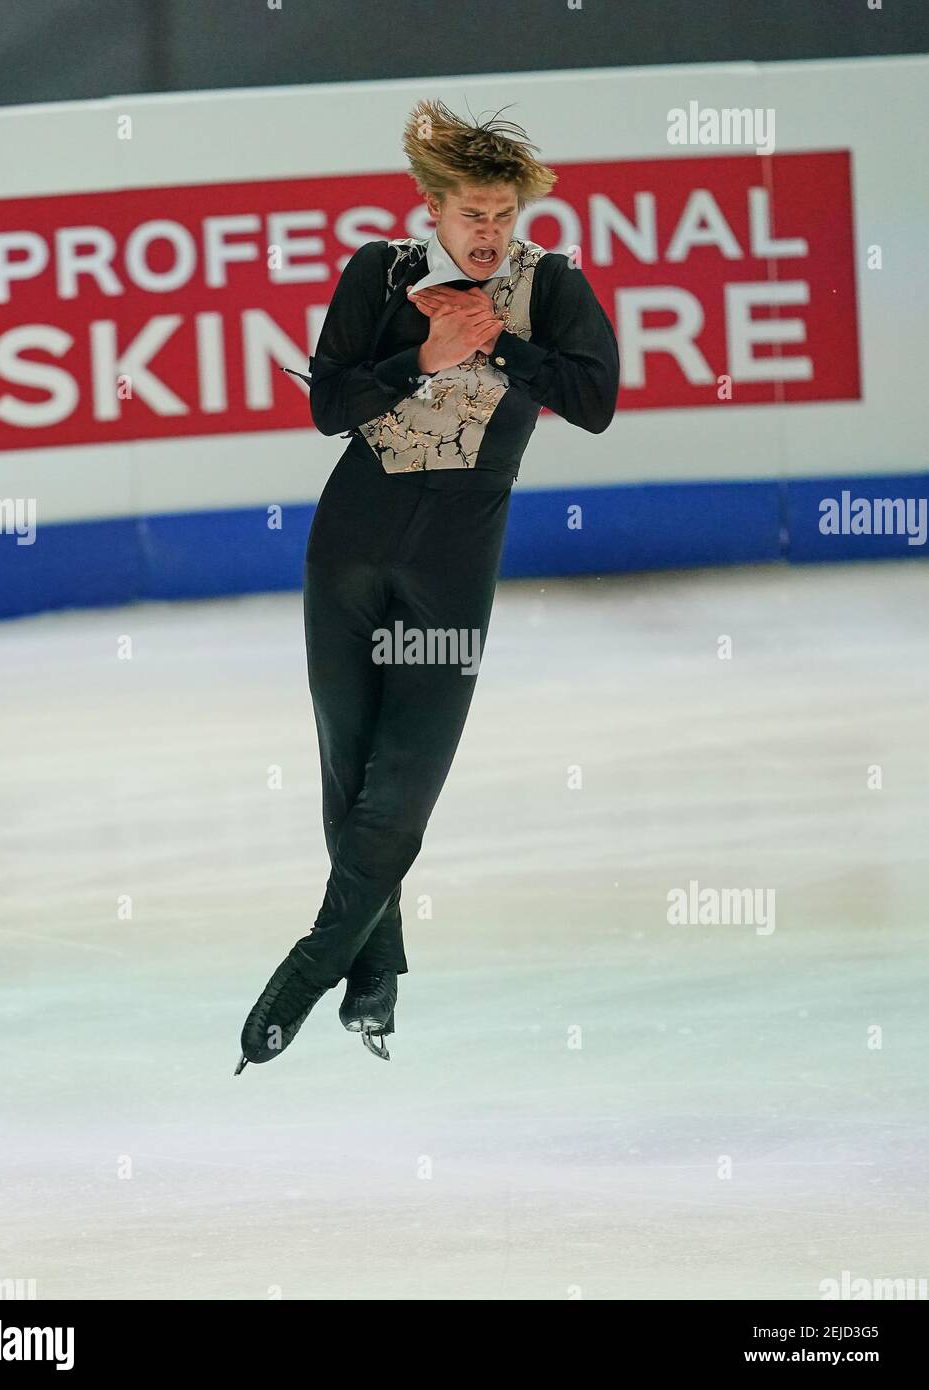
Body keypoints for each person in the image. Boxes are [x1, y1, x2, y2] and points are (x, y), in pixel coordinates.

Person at [236, 98, 619, 1071]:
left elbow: (594, 400)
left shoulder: (550, 286)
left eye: (503, 215)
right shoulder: (379, 272)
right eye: (470, 214)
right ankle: (376, 967)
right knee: (349, 767)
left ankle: (313, 964)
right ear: (434, 210)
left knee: (404, 783)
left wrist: (498, 343)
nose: (488, 232)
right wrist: (422, 357)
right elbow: (329, 405)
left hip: (452, 564)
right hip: (349, 547)